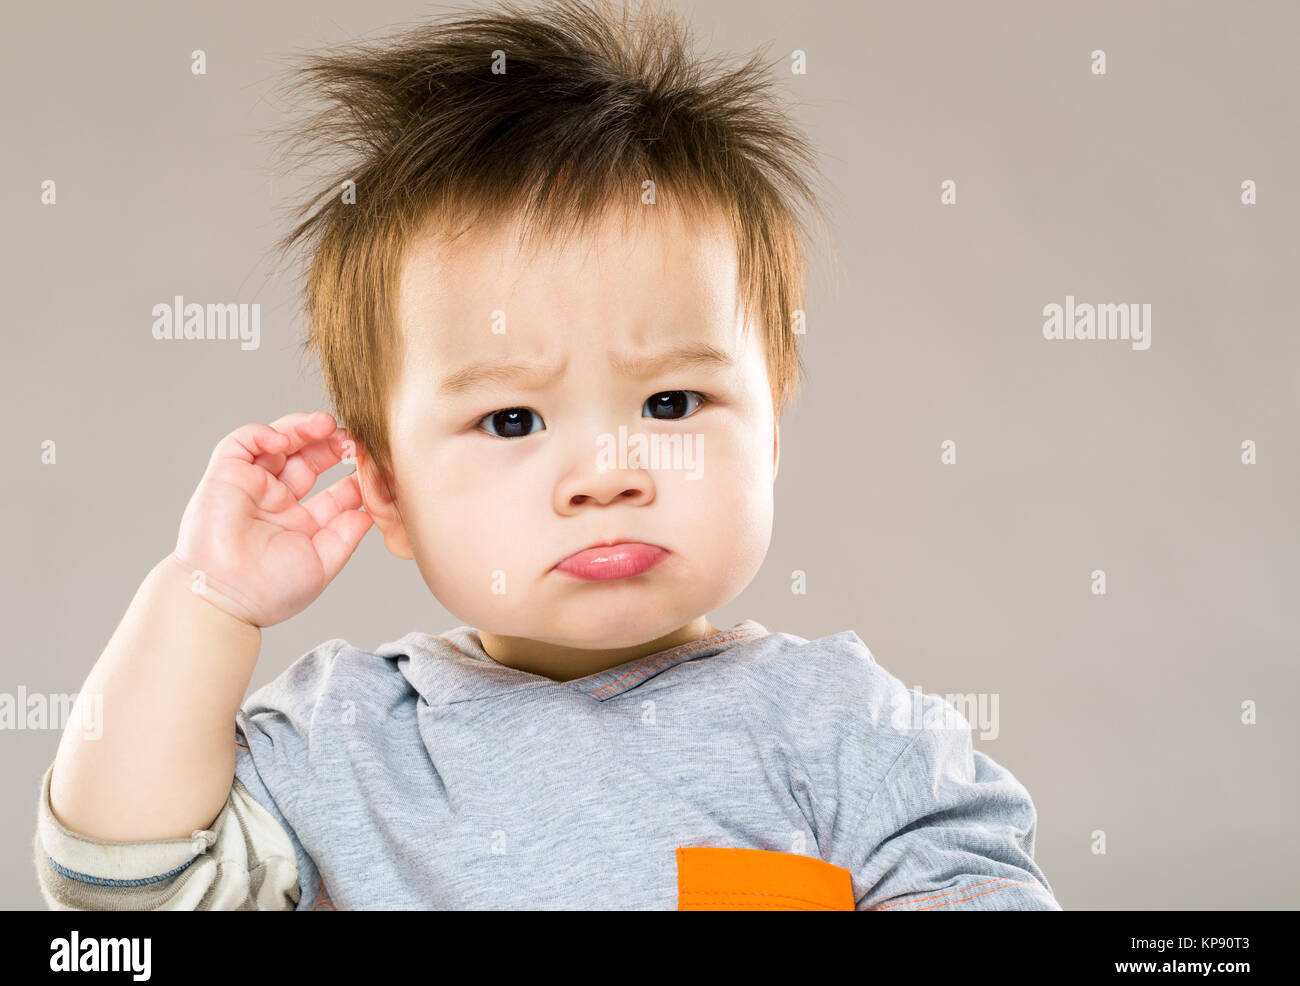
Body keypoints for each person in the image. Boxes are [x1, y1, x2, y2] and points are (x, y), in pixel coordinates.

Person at [34, 0, 1060, 910]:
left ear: (771, 434)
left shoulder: (844, 728)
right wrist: (208, 597)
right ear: (384, 486)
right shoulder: (344, 744)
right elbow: (122, 884)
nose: (606, 471)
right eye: (514, 421)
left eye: (669, 400)